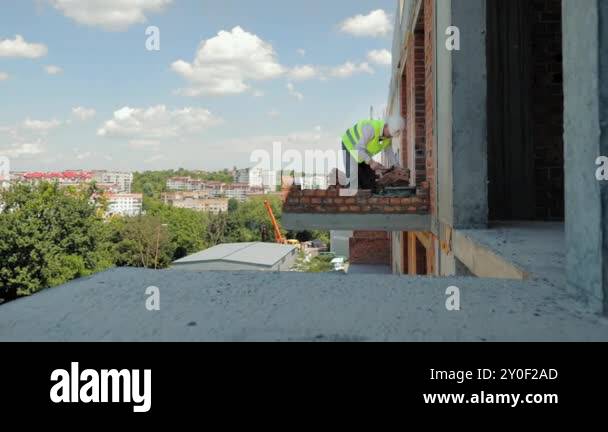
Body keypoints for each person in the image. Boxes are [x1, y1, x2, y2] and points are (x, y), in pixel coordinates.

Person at [340, 115, 405, 191]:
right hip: (350, 145)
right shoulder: (371, 128)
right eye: (389, 134)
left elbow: (389, 153)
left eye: (391, 136)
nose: (389, 137)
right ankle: (350, 196)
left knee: (369, 182)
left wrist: (397, 166)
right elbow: (358, 148)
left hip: (361, 152)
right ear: (386, 125)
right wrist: (371, 162)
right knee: (353, 180)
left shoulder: (388, 138)